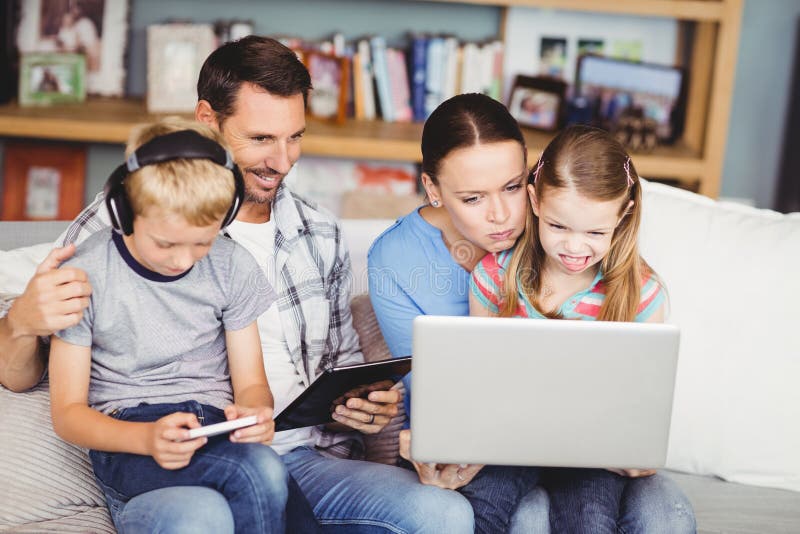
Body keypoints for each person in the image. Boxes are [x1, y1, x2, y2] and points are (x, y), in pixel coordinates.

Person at [0, 36, 473, 533]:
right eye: (262, 140)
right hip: (171, 460)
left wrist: (360, 407)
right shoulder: (120, 224)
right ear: (208, 119)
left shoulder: (320, 232)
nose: (284, 161)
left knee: (441, 514)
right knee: (207, 513)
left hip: (301, 456)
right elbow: (27, 379)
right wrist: (20, 323)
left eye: (295, 137)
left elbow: (338, 368)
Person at [368, 94, 696, 533]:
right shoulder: (405, 261)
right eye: (472, 198)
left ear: (531, 186)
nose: (502, 215)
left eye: (510, 187)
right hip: (493, 448)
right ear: (433, 189)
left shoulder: (582, 241)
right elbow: (435, 395)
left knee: (657, 516)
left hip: (590, 456)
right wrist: (435, 446)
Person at [50, 120, 292, 533]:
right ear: (125, 211)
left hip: (216, 430)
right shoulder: (84, 276)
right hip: (129, 439)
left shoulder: (231, 266)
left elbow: (251, 382)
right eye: (165, 243)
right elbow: (67, 414)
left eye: (202, 242)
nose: (183, 261)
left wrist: (256, 411)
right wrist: (145, 440)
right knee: (262, 473)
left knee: (262, 475)